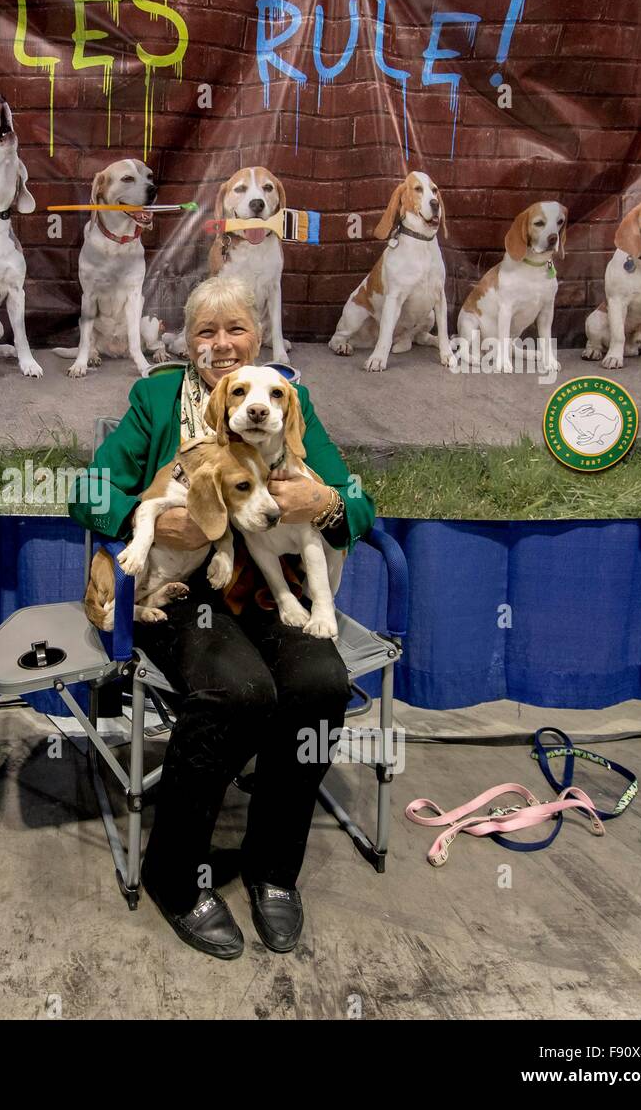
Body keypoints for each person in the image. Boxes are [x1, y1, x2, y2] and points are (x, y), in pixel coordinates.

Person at [68, 274, 376, 960]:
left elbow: (359, 507)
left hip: (269, 585)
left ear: (258, 339)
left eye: (236, 329)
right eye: (206, 332)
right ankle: (175, 872)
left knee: (320, 685)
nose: (221, 344)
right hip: (182, 591)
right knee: (239, 691)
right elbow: (87, 489)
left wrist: (323, 504)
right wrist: (150, 521)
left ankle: (274, 868)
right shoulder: (154, 399)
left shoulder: (289, 401)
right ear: (189, 346)